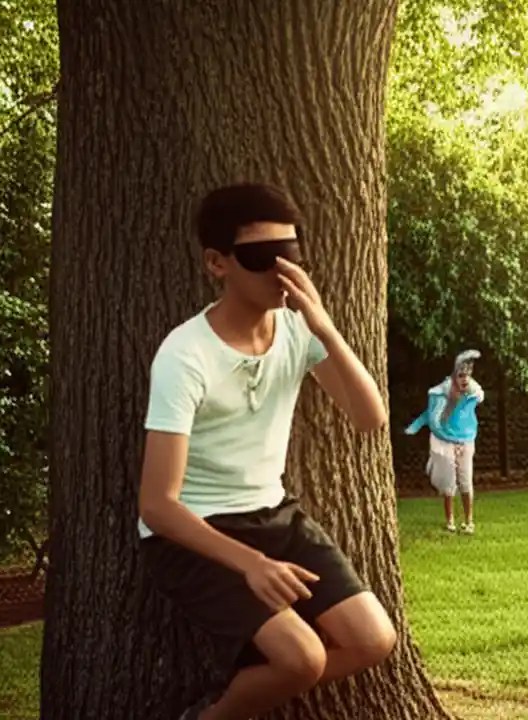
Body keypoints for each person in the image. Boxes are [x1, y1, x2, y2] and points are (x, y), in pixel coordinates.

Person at [137, 183, 396, 720]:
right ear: (217, 263)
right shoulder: (185, 355)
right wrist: (252, 565)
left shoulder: (298, 331)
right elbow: (157, 506)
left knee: (374, 639)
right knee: (300, 660)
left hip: (274, 515)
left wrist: (322, 324)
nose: (280, 273)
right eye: (260, 258)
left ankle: (245, 688)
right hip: (194, 532)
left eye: (290, 256)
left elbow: (370, 418)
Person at [406, 350, 484, 534]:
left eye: (468, 375)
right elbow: (431, 416)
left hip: (465, 440)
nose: (465, 379)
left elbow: (478, 395)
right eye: (461, 375)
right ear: (453, 376)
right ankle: (449, 521)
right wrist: (415, 426)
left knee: (466, 479)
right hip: (444, 441)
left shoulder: (472, 392)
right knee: (449, 481)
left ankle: (468, 521)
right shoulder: (441, 394)